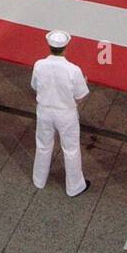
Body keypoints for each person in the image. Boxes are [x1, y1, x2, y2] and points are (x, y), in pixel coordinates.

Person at [30, 30, 90, 196]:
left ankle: (39, 179)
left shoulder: (39, 65)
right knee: (70, 149)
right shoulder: (73, 70)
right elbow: (81, 95)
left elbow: (34, 86)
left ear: (49, 46)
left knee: (43, 145)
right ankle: (74, 187)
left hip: (44, 111)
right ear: (66, 47)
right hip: (66, 114)